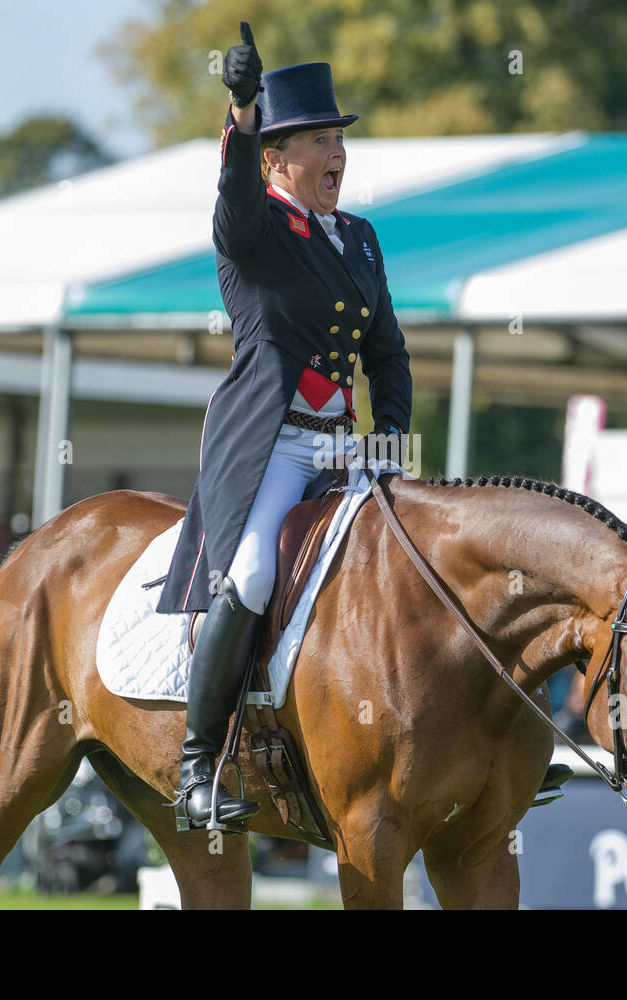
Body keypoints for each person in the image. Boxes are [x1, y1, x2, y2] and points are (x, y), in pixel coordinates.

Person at [154, 22, 412, 830]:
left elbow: (388, 356)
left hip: (347, 449)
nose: (336, 153)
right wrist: (239, 111)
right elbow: (231, 197)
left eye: (340, 138)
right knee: (256, 576)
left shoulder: (361, 241)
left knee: (423, 564)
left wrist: (392, 445)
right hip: (275, 446)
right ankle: (199, 768)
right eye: (317, 141)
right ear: (276, 157)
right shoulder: (255, 229)